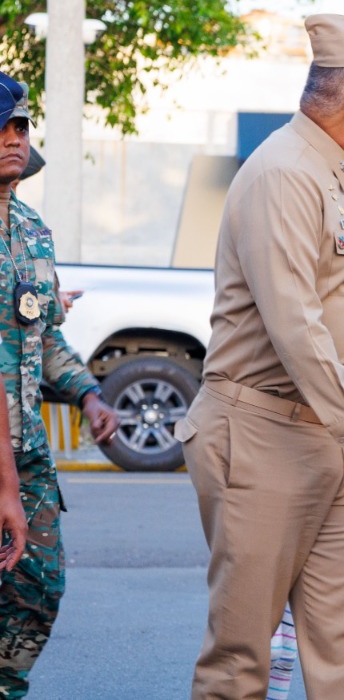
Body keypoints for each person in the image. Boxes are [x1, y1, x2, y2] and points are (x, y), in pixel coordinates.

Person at [177, 14, 344, 699]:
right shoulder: (284, 172)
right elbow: (295, 325)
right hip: (263, 433)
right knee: (242, 654)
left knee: (342, 644)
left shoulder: (332, 176)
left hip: (335, 438)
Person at [0, 72, 119, 696]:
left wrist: (88, 392)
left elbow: (41, 335)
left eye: (21, 126)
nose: (14, 137)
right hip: (0, 461)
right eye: (3, 126)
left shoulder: (30, 227)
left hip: (26, 450)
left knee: (40, 585)